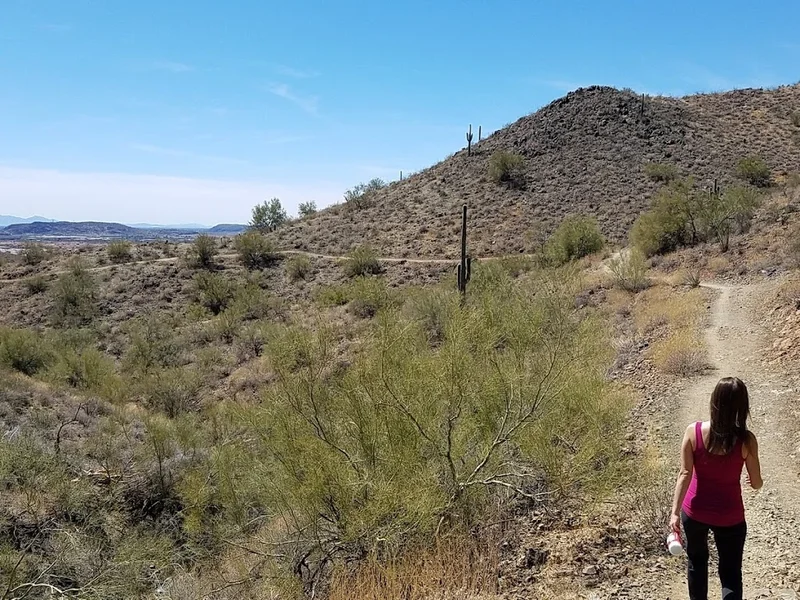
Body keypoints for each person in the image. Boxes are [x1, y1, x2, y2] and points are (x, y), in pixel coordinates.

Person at [669, 377, 763, 600]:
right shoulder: (747, 441)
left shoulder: (693, 432)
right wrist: (751, 479)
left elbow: (684, 473)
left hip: (694, 512)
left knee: (697, 563)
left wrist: (674, 513)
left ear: (714, 401)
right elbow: (757, 483)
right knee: (730, 573)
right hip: (730, 516)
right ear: (743, 406)